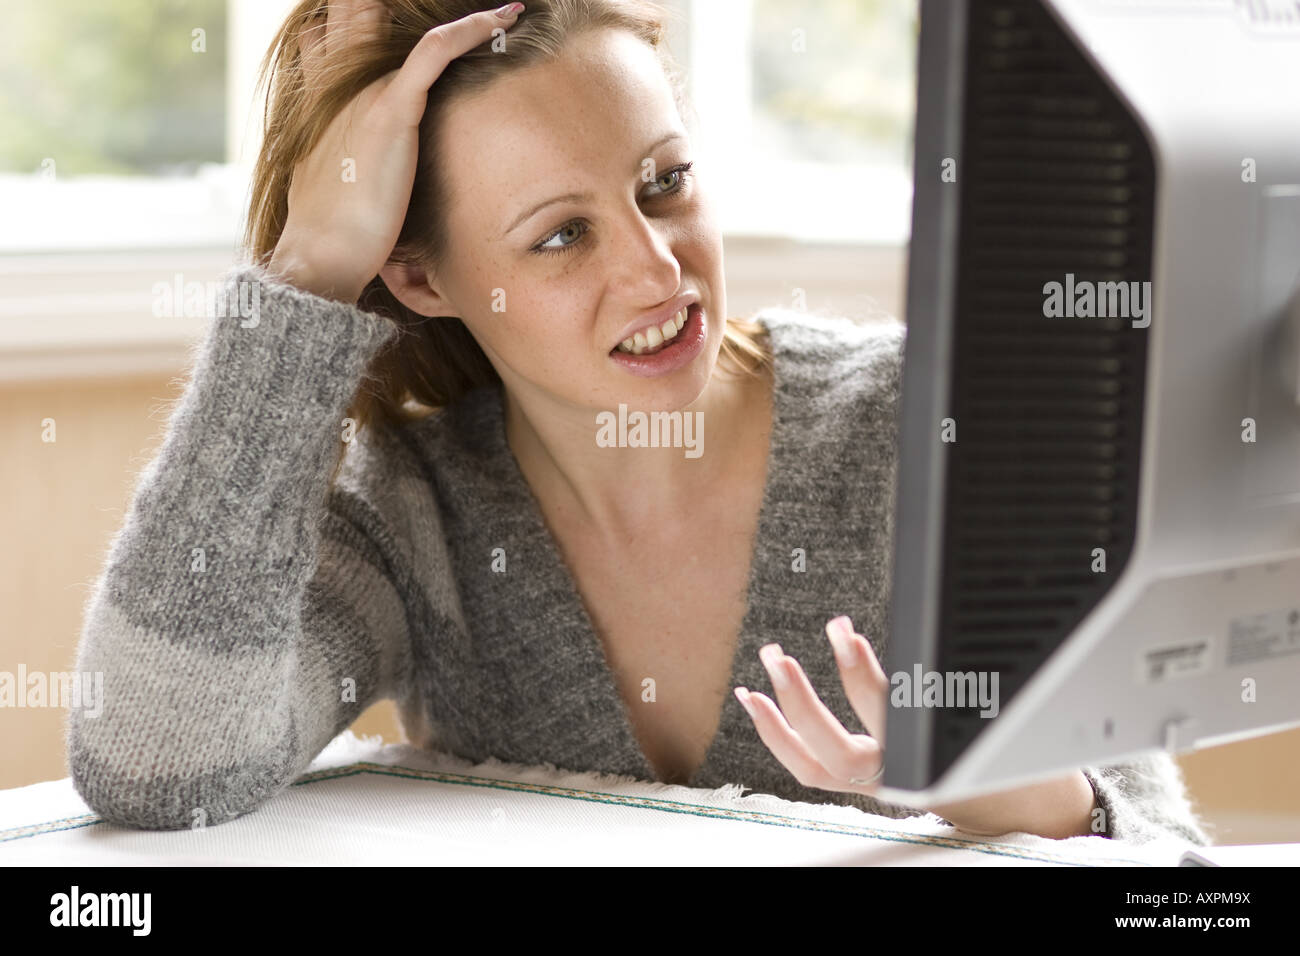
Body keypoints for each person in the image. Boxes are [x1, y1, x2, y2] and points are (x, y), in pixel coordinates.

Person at [66, 0, 1209, 845]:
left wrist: (991, 788)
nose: (659, 268)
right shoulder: (413, 512)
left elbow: (1175, 873)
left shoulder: (934, 433)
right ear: (419, 279)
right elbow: (161, 763)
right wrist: (309, 274)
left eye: (663, 183)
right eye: (561, 236)